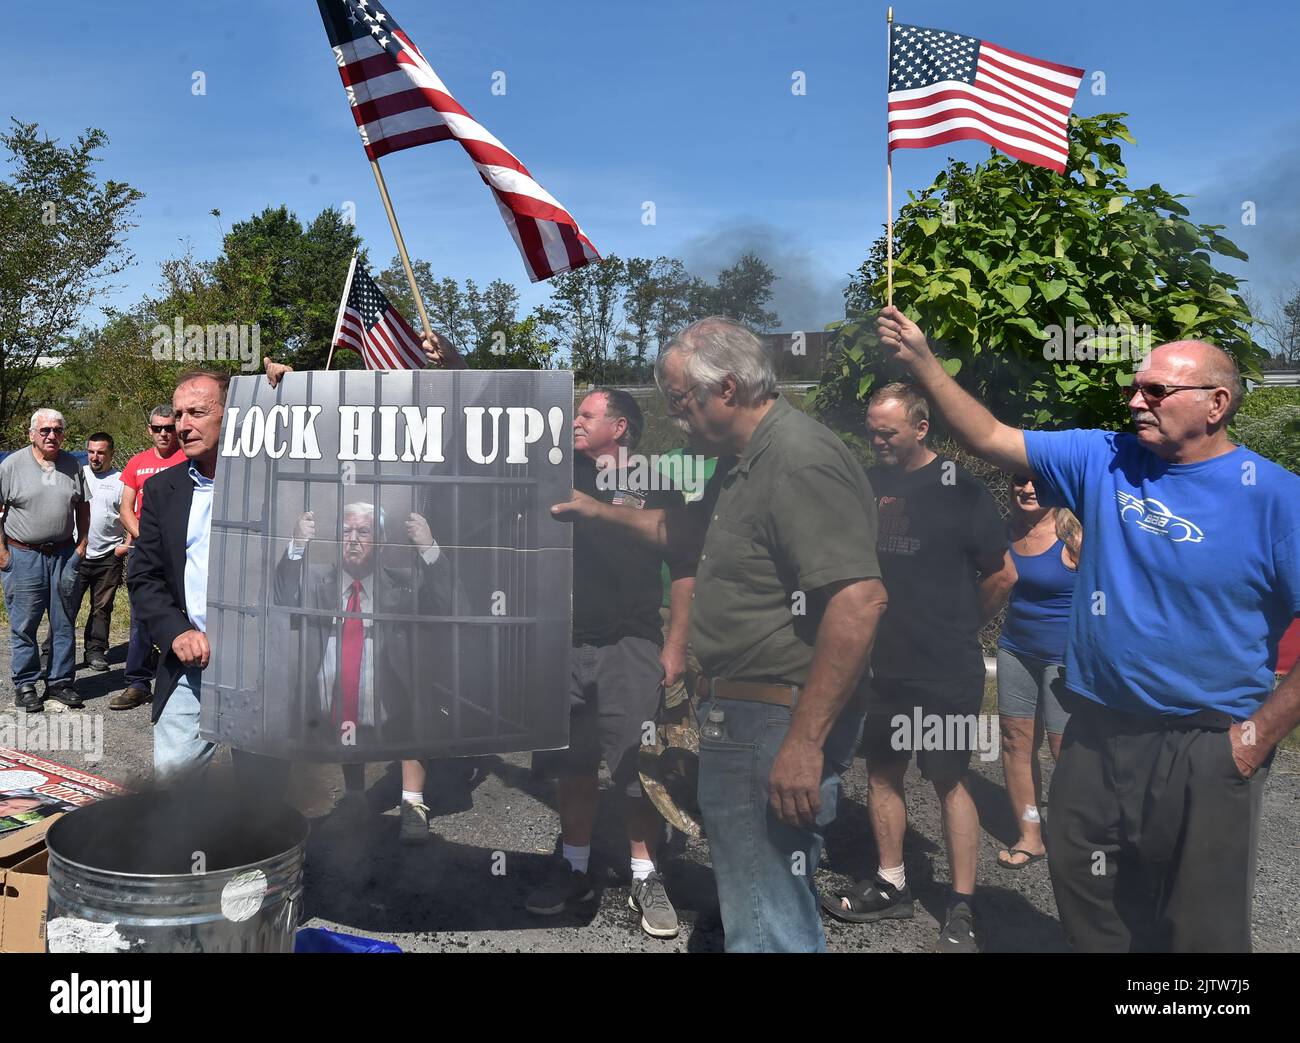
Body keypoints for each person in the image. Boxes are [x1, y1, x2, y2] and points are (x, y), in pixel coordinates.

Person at [875, 306, 1300, 952]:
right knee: (1085, 883)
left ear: (1216, 403)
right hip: (1097, 728)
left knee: (1203, 925)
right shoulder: (1104, 460)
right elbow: (989, 435)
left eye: (1156, 390)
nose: (1135, 401)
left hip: (1208, 738)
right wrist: (923, 361)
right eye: (1135, 386)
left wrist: (1254, 736)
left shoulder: (1275, 497)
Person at [552, 317, 889, 952]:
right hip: (743, 712)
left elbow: (860, 601)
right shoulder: (741, 464)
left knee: (768, 905)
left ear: (727, 389)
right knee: (750, 888)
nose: (676, 419)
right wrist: (598, 510)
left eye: (681, 403)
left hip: (777, 716)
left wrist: (805, 743)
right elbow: (686, 537)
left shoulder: (799, 460)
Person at [822, 383, 1016, 953]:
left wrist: (958, 628)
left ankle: (961, 904)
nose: (877, 439)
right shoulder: (868, 482)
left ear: (921, 427)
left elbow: (1002, 575)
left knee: (948, 778)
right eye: (872, 428)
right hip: (880, 663)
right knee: (882, 772)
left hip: (944, 665)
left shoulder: (960, 487)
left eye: (888, 430)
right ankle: (891, 882)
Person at [528, 389, 692, 939]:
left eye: (586, 415)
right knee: (573, 763)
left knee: (637, 768)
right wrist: (453, 366)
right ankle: (573, 865)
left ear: (620, 427)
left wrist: (675, 646)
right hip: (566, 643)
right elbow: (500, 433)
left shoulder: (657, 479)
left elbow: (685, 564)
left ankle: (646, 873)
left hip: (633, 643)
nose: (574, 421)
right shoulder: (558, 468)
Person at [128, 370, 286, 790]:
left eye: (197, 412)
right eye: (178, 414)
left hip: (259, 669)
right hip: (189, 668)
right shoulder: (164, 489)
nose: (182, 425)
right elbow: (144, 576)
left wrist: (290, 391)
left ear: (232, 413)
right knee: (174, 792)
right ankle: (181, 857)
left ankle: (259, 857)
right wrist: (175, 631)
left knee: (264, 797)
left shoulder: (278, 478)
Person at [274, 501, 464, 843]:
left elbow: (447, 603)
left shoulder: (402, 582)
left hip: (393, 683)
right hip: (335, 680)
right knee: (348, 703)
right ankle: (355, 795)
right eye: (346, 532)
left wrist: (428, 548)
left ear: (381, 540)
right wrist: (297, 545)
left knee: (414, 705)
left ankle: (413, 802)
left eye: (364, 532)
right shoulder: (319, 580)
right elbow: (282, 595)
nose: (354, 539)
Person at [995, 478, 1081, 871]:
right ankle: (1031, 835)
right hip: (1015, 650)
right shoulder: (1005, 532)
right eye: (1019, 481)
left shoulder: (1075, 535)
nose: (1027, 489)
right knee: (1015, 743)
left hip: (1066, 659)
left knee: (1067, 752)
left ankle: (1073, 839)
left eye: (1038, 482)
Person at [0, 409, 89, 712]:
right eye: (45, 431)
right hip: (23, 554)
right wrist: (2, 553)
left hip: (64, 554)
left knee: (63, 621)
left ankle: (61, 682)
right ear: (32, 434)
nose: (52, 436)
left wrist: (82, 545)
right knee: (24, 624)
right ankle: (25, 684)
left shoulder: (72, 465)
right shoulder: (12, 465)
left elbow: (83, 506)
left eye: (58, 430)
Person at [113, 406, 186, 710]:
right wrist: (147, 540)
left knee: (185, 614)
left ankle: (183, 680)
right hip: (147, 550)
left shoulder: (189, 457)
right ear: (150, 430)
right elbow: (125, 509)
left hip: (182, 551)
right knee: (142, 617)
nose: (164, 433)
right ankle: (138, 682)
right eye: (157, 428)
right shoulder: (137, 463)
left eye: (169, 427)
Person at [39, 433, 128, 673]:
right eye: (91, 452)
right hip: (74, 553)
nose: (95, 457)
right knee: (65, 606)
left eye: (100, 452)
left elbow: (131, 513)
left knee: (102, 608)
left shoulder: (121, 480)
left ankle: (95, 650)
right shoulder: (76, 474)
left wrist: (124, 545)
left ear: (111, 453)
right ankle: (51, 652)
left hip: (108, 555)